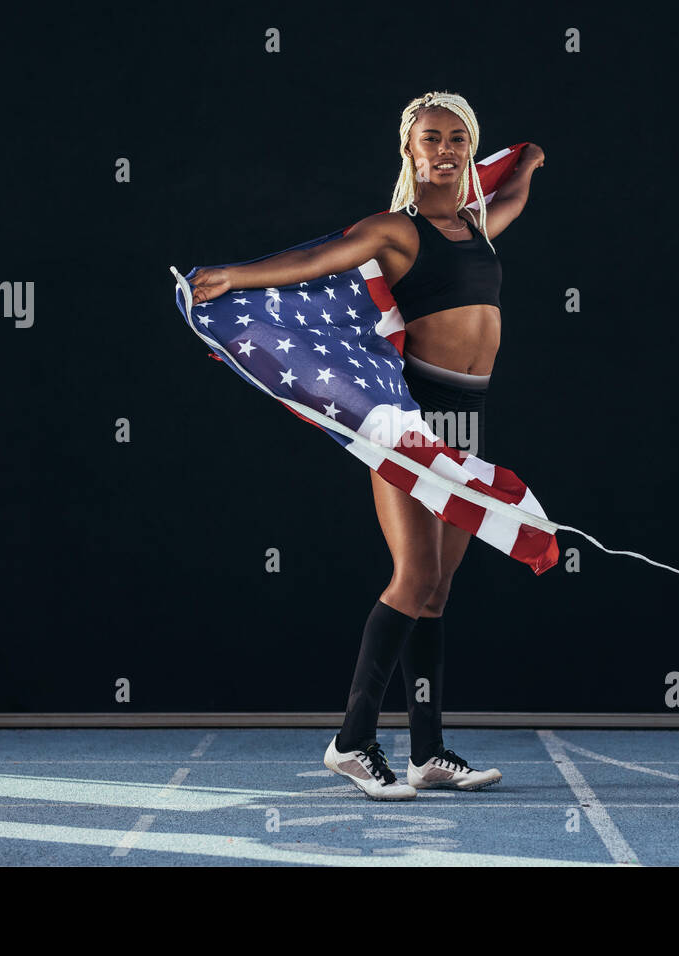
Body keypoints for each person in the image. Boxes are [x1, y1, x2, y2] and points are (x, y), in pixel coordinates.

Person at [190, 90, 545, 800]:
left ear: (468, 152)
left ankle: (427, 751)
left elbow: (510, 205)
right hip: (408, 422)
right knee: (413, 576)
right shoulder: (396, 230)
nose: (443, 150)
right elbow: (323, 258)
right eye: (430, 139)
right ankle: (352, 742)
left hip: (466, 428)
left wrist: (528, 163)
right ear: (410, 153)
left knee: (438, 593)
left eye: (456, 140)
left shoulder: (477, 227)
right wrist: (235, 277)